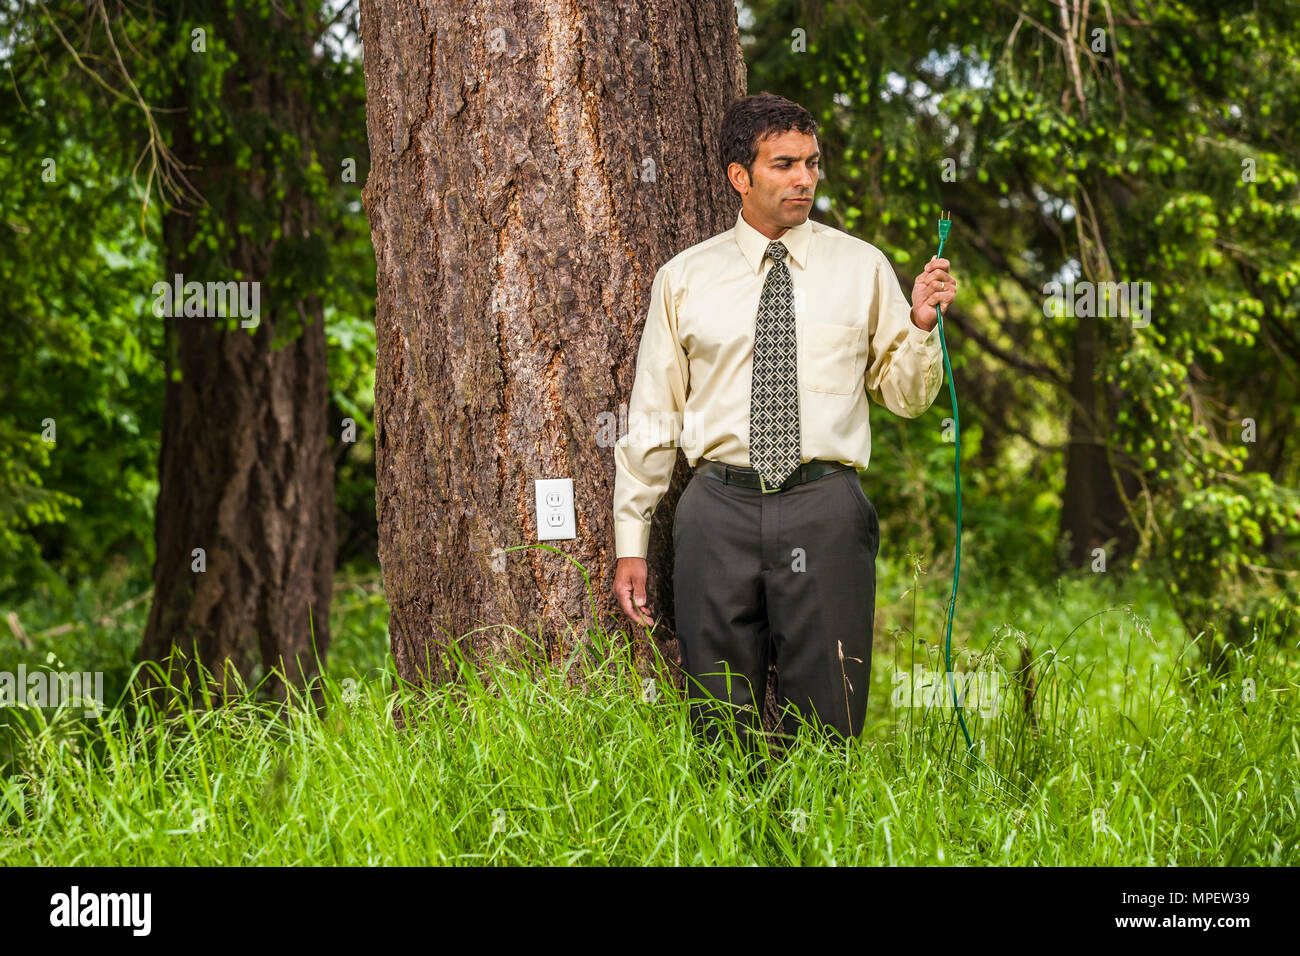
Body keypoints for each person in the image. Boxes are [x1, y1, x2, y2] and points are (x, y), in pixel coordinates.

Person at [611, 91, 958, 772]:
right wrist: (632, 540)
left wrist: (919, 325)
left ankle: (820, 831)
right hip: (717, 509)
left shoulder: (862, 268)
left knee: (832, 701)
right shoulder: (684, 279)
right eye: (785, 164)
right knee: (717, 709)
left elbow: (910, 399)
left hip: (825, 505)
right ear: (740, 176)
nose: (805, 179)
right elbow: (654, 414)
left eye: (812, 163)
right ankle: (731, 835)